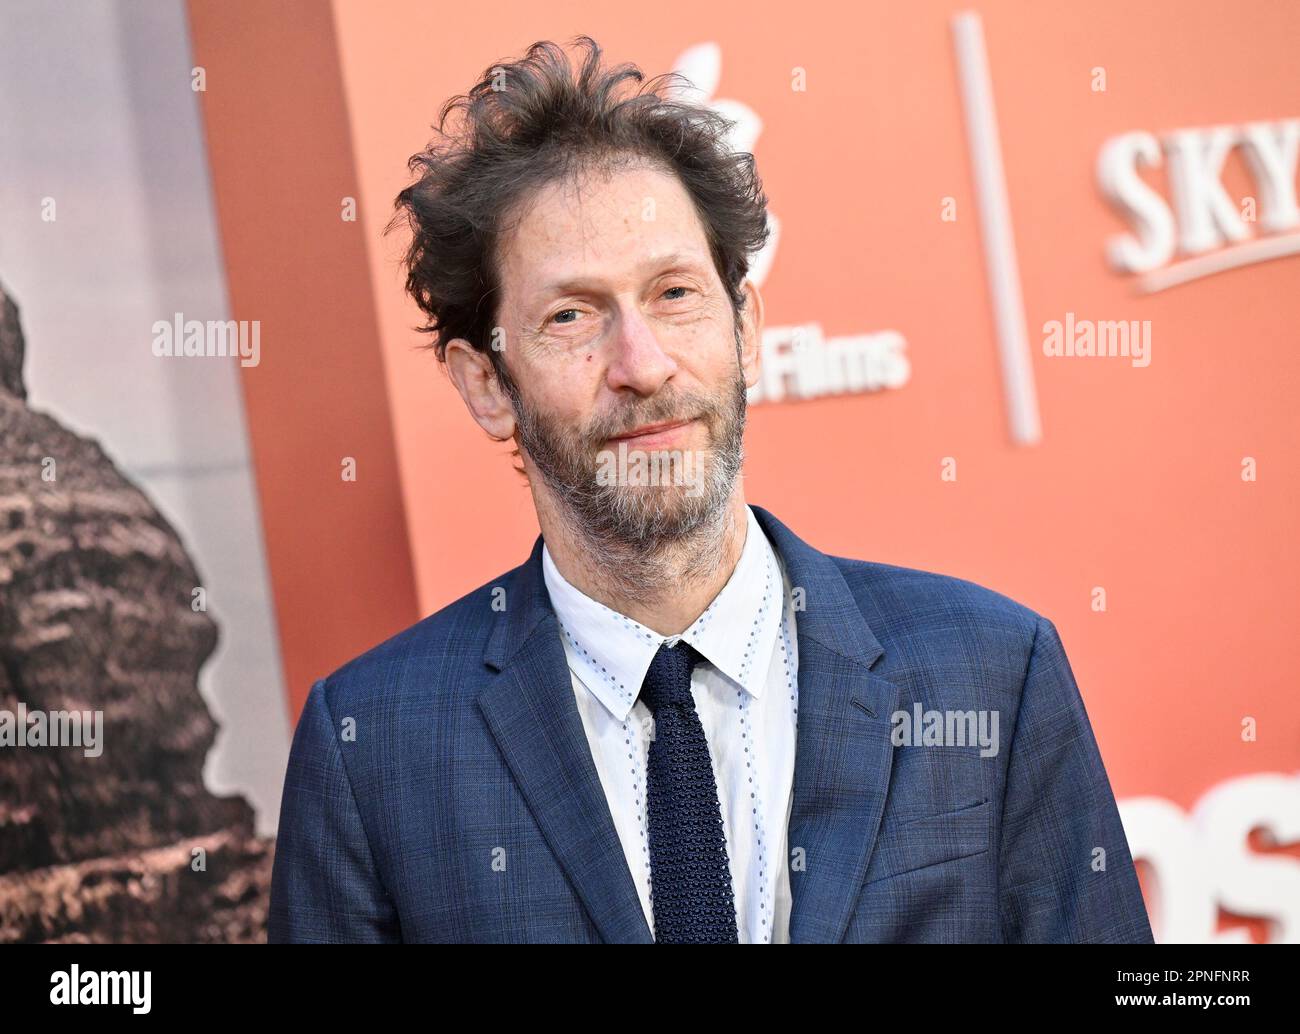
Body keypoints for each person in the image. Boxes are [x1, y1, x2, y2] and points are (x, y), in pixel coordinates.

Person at [267, 35, 1153, 944]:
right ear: (486, 383)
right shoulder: (370, 747)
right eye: (571, 315)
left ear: (746, 327)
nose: (642, 366)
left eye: (676, 294)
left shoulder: (993, 670)